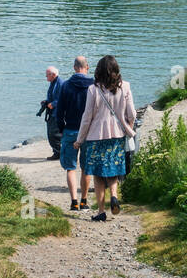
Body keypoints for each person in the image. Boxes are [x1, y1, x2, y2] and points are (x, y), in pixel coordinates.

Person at [74, 54, 136, 222]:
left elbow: (87, 117)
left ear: (98, 71)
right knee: (113, 169)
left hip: (96, 136)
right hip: (117, 136)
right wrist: (127, 128)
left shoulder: (93, 90)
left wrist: (79, 140)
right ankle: (114, 196)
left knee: (98, 174)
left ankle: (101, 211)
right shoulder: (126, 87)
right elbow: (132, 114)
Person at [54, 56, 95, 211]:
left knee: (70, 168)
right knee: (86, 168)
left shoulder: (65, 85)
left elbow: (59, 111)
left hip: (70, 130)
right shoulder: (93, 85)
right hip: (89, 132)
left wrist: (61, 128)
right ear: (87, 67)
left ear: (74, 67)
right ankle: (84, 201)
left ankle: (74, 202)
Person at [41, 66, 63, 160]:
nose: (46, 77)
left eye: (47, 75)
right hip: (52, 112)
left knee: (53, 134)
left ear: (53, 75)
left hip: (57, 113)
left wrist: (53, 104)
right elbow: (54, 96)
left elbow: (63, 98)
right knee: (51, 133)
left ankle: (59, 153)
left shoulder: (61, 84)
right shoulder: (53, 83)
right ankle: (57, 152)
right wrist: (46, 101)